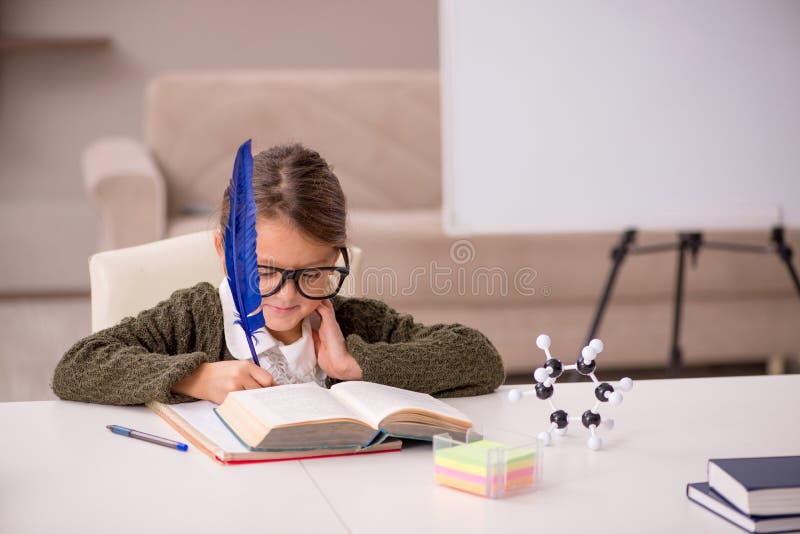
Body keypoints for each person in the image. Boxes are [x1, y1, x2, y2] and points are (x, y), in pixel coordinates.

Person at [52, 143, 505, 405]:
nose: (286, 297)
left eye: (312, 274)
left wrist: (359, 365)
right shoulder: (193, 317)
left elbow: (481, 358)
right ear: (224, 251)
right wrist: (193, 377)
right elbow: (76, 367)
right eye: (263, 273)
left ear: (335, 257)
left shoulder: (354, 324)